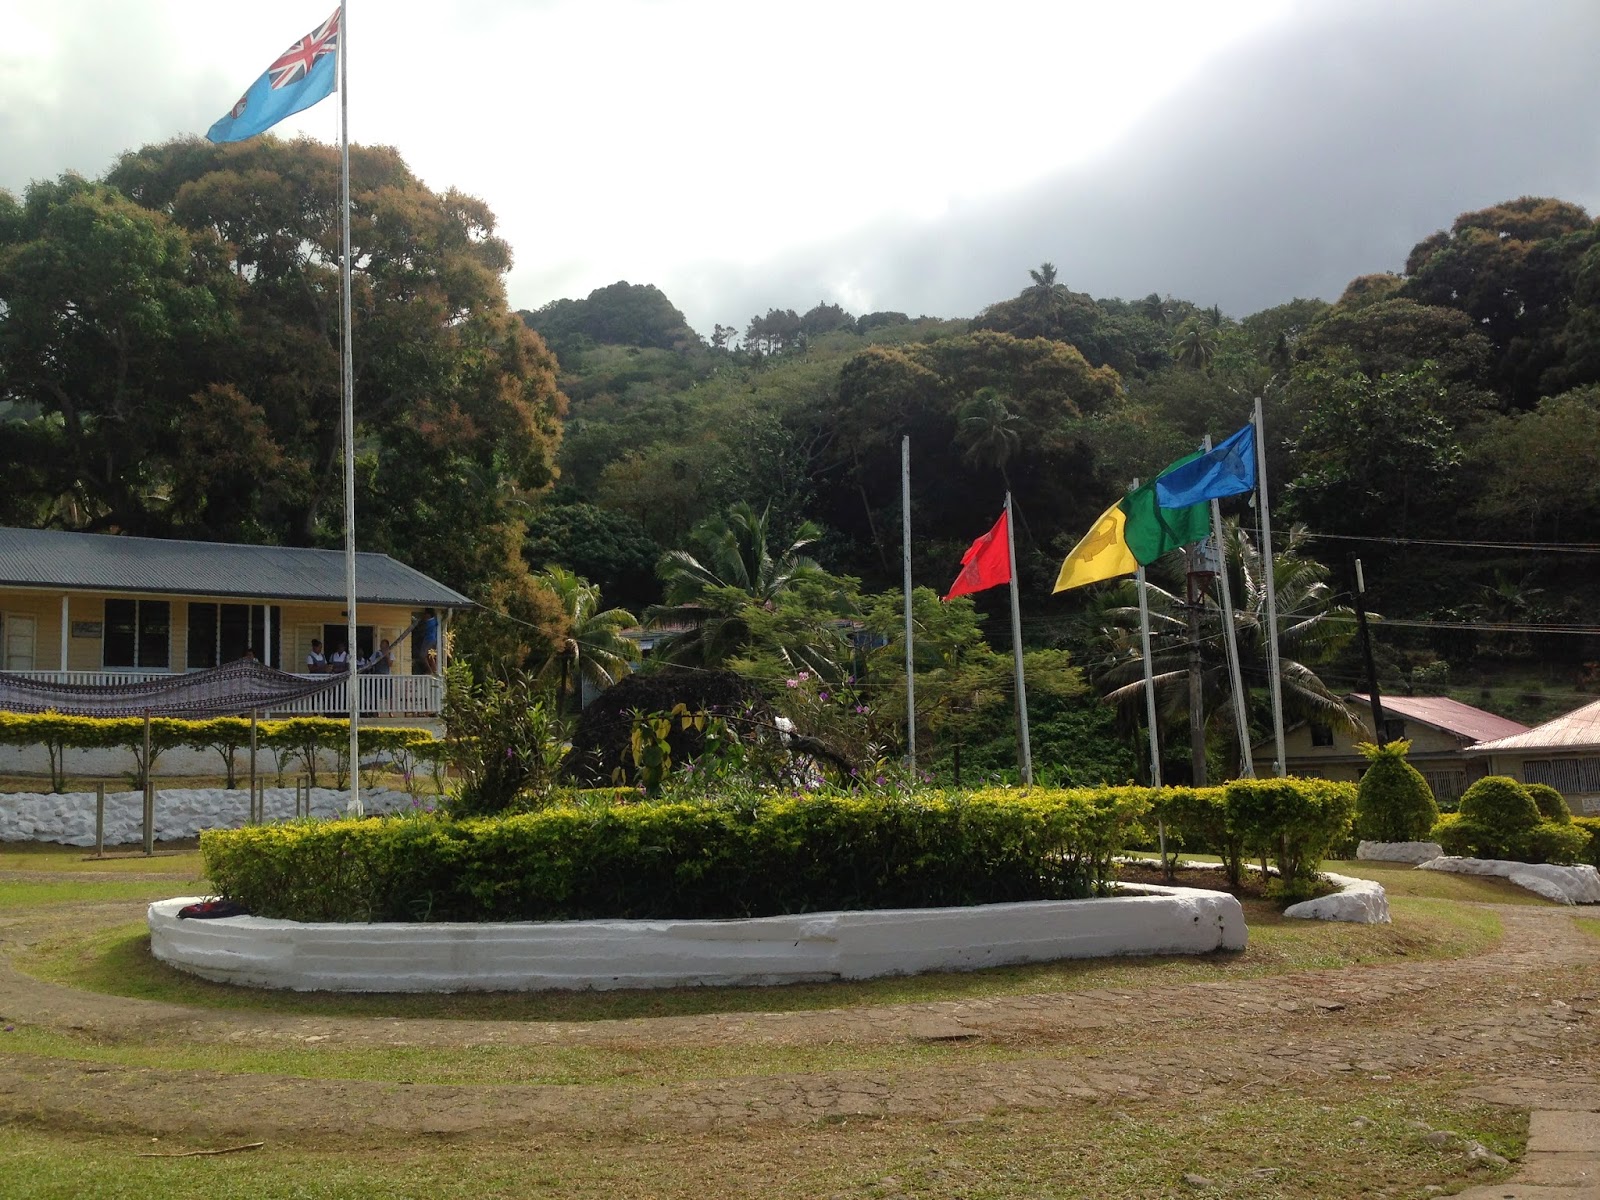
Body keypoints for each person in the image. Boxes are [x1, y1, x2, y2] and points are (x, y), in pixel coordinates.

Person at [416, 608, 439, 674]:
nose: (424, 616)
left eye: (425, 614)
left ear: (428, 615)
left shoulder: (428, 622)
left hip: (428, 640)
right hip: (434, 640)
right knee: (431, 656)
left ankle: (430, 670)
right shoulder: (435, 621)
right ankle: (434, 669)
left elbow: (422, 631)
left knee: (422, 655)